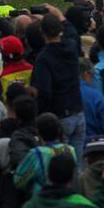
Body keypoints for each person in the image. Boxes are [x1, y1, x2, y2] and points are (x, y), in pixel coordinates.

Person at [31, 8, 87, 157]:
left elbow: (44, 92)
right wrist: (60, 15)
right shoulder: (71, 46)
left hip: (60, 117)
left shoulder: (44, 58)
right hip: (78, 112)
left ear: (42, 33)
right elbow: (73, 33)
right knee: (77, 166)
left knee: (60, 167)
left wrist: (41, 118)